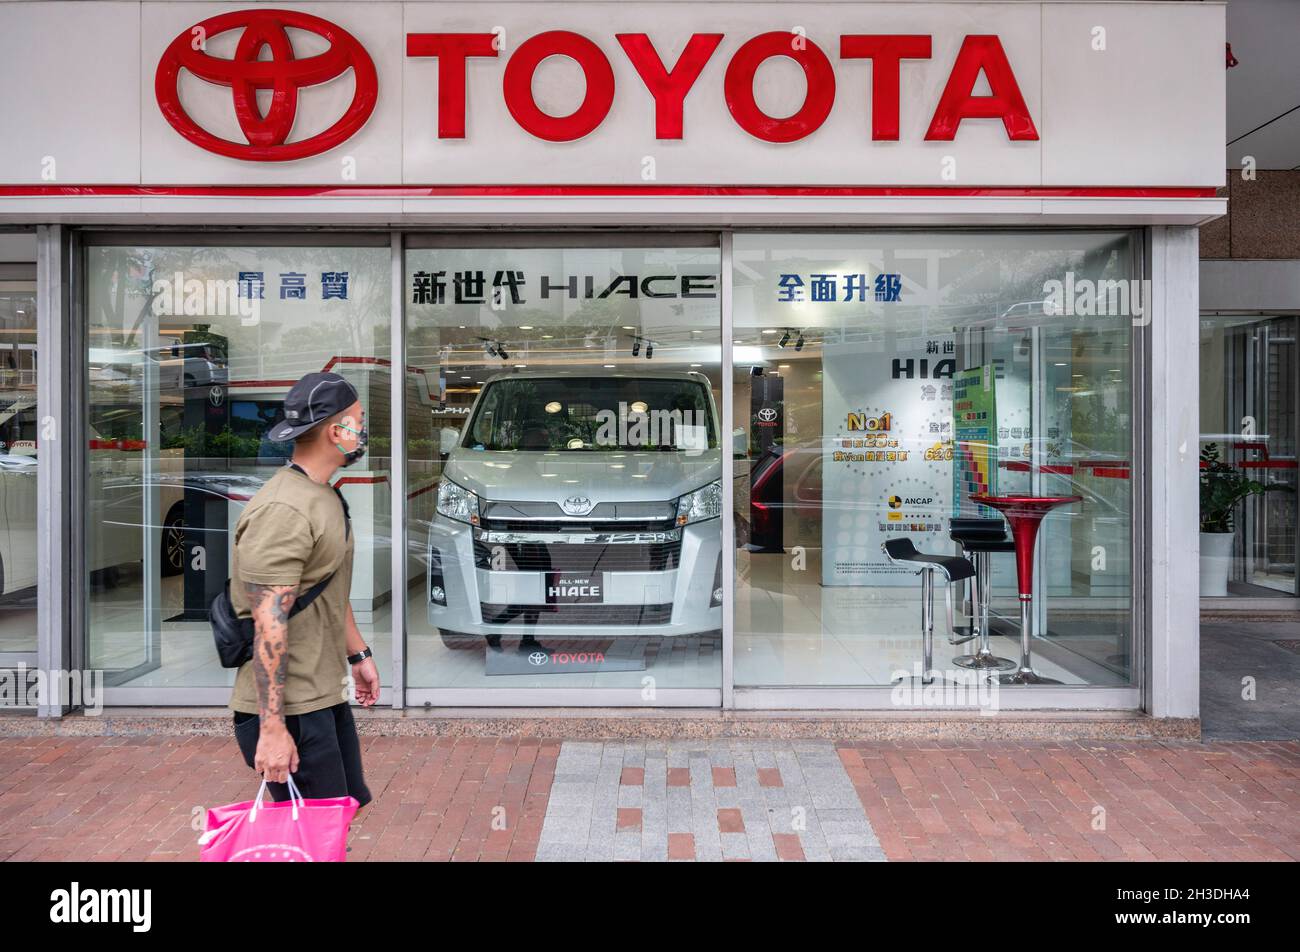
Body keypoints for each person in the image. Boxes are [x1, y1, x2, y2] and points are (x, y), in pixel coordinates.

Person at [227, 371, 379, 808]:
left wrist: (359, 656)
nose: (363, 431)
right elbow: (268, 625)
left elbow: (327, 586)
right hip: (289, 709)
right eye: (360, 421)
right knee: (310, 831)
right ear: (337, 431)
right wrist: (272, 729)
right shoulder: (283, 509)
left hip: (321, 693)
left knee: (340, 815)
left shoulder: (323, 494)